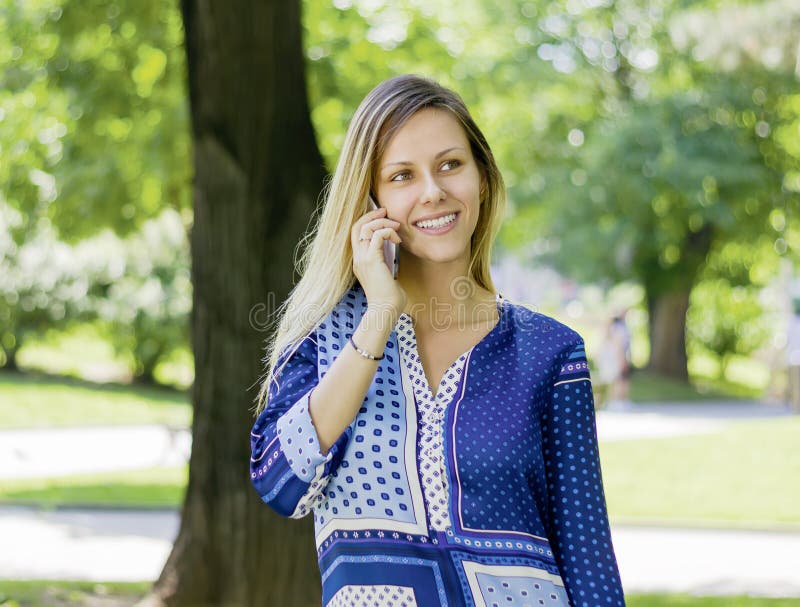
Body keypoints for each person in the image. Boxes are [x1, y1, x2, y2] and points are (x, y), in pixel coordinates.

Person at [249, 74, 625, 607]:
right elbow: (282, 485)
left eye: (451, 165)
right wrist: (379, 314)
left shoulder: (550, 351)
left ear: (483, 180)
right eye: (402, 175)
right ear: (371, 200)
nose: (433, 191)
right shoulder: (325, 336)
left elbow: (588, 557)